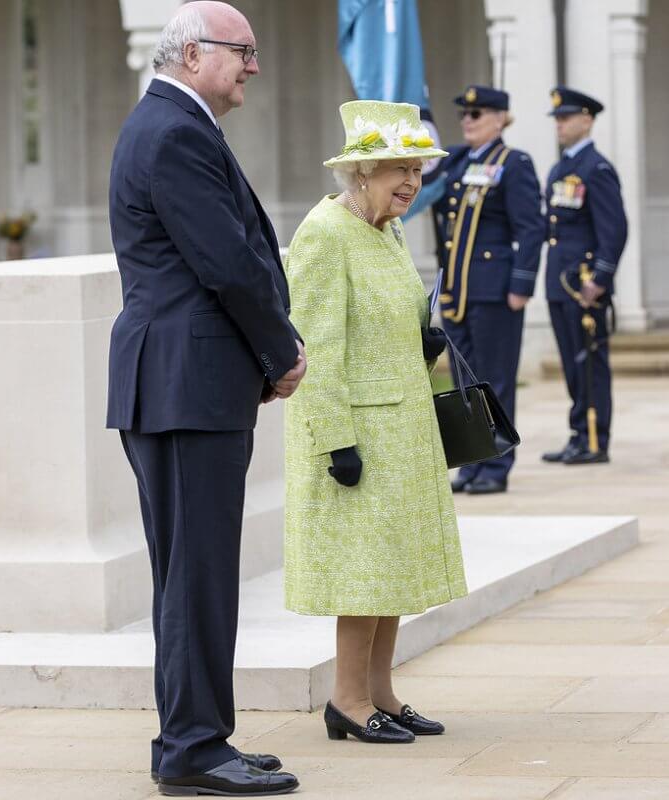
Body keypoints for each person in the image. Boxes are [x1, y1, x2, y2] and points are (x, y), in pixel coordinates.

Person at [106, 3, 304, 796]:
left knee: (197, 573)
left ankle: (200, 736)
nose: (253, 65)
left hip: (184, 383)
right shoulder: (175, 131)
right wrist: (280, 349)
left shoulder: (169, 124)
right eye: (242, 51)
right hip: (185, 385)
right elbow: (227, 263)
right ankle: (191, 749)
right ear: (193, 55)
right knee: (195, 576)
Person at [284, 99, 468, 744]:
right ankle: (346, 700)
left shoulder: (385, 230)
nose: (412, 182)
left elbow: (379, 320)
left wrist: (418, 344)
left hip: (404, 427)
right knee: (362, 572)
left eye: (416, 169)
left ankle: (381, 693)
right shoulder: (325, 233)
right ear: (360, 174)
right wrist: (336, 441)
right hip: (359, 431)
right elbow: (317, 345)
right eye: (398, 169)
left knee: (392, 567)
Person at [432, 86, 545, 495]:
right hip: (458, 289)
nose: (467, 120)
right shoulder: (460, 160)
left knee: (494, 380)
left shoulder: (514, 164)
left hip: (494, 291)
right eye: (464, 114)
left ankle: (497, 467)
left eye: (476, 114)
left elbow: (532, 229)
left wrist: (522, 285)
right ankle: (473, 464)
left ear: (500, 118)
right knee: (464, 381)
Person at [541, 86, 627, 465]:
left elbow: (614, 230)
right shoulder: (561, 168)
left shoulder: (597, 168)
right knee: (571, 362)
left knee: (589, 362)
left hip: (585, 285)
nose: (560, 124)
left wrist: (600, 281)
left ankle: (595, 439)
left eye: (567, 117)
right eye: (557, 118)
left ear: (587, 120)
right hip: (561, 283)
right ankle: (578, 433)